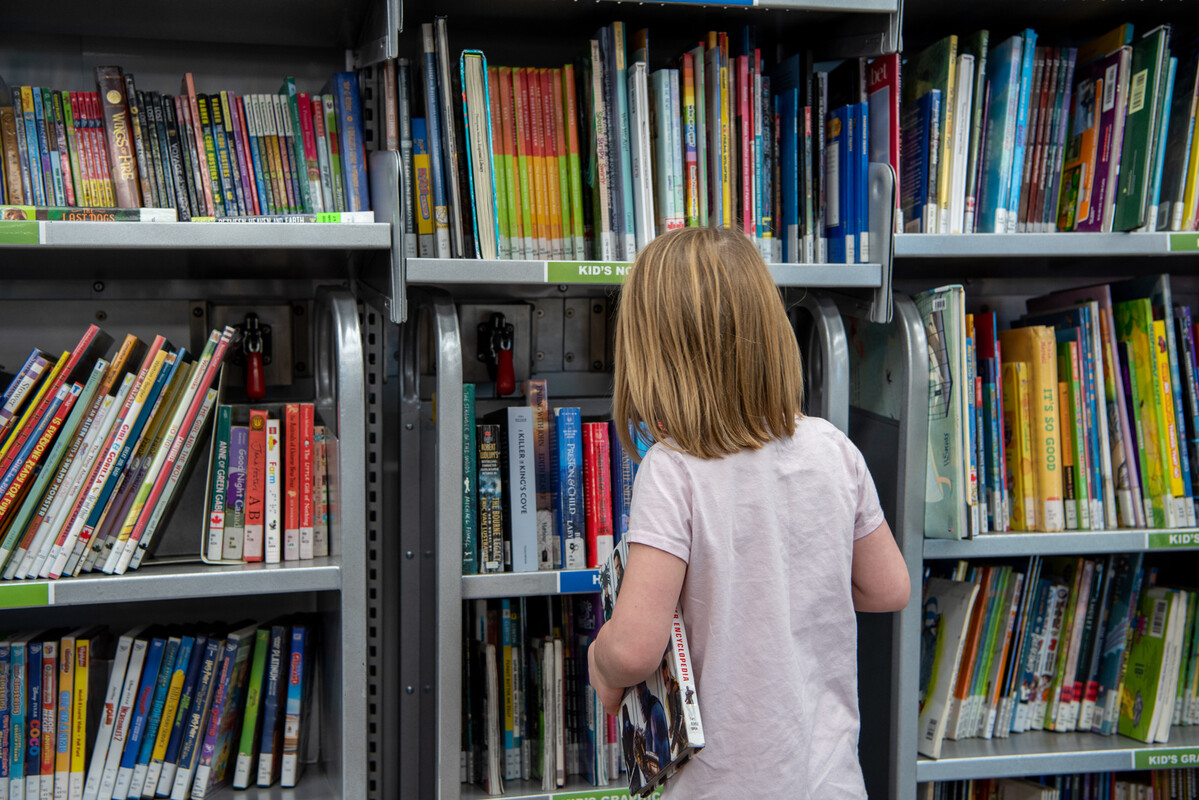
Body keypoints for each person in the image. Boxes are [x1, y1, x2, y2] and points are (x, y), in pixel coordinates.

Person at [587, 226, 911, 799]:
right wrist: (794, 590)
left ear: (650, 357)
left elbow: (637, 646)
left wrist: (603, 665)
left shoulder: (674, 470)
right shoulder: (832, 447)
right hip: (831, 783)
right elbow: (889, 588)